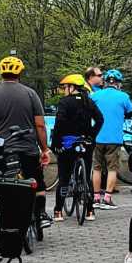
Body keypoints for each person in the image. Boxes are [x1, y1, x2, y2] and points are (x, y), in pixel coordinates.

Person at [0, 56, 52, 228]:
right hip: (27, 148)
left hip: (0, 151)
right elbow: (40, 125)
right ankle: (40, 214)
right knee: (37, 182)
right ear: (19, 72)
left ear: (1, 73)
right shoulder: (30, 94)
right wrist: (44, 149)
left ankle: (2, 217)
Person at [51, 74, 102, 222]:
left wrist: (56, 143)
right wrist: (91, 135)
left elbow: (59, 123)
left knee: (64, 177)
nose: (64, 90)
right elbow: (100, 119)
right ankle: (90, 210)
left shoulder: (64, 102)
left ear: (71, 87)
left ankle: (58, 211)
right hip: (85, 143)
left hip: (68, 144)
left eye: (65, 87)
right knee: (87, 177)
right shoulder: (88, 101)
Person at [89, 69, 132, 210]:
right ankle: (107, 198)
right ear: (118, 83)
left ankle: (96, 197)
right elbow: (130, 113)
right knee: (112, 169)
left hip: (96, 137)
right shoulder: (123, 96)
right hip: (114, 138)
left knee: (96, 168)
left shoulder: (95, 95)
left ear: (106, 82)